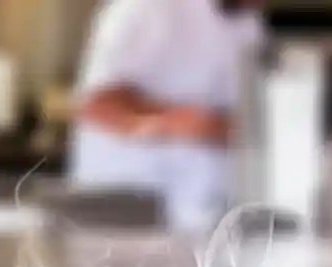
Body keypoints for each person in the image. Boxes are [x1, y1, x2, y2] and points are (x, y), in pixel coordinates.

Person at [70, 0, 265, 232]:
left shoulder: (250, 25)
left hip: (205, 218)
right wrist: (178, 123)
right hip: (127, 212)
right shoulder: (145, 7)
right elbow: (99, 106)